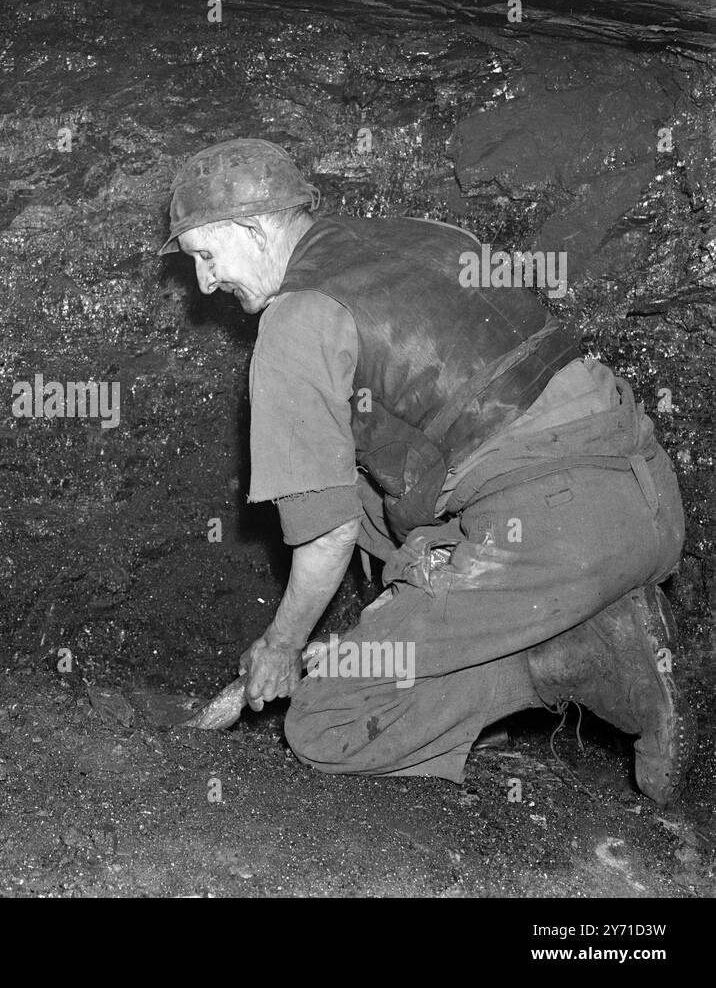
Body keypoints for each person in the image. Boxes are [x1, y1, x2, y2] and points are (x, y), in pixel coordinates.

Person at [160, 138, 691, 804]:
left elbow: (325, 537)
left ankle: (567, 657)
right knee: (355, 483)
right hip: (648, 494)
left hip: (554, 530)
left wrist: (280, 648)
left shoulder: (297, 321)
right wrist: (392, 605)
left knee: (325, 722)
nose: (206, 282)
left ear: (247, 227)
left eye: (206, 257)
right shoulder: (428, 234)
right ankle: (553, 615)